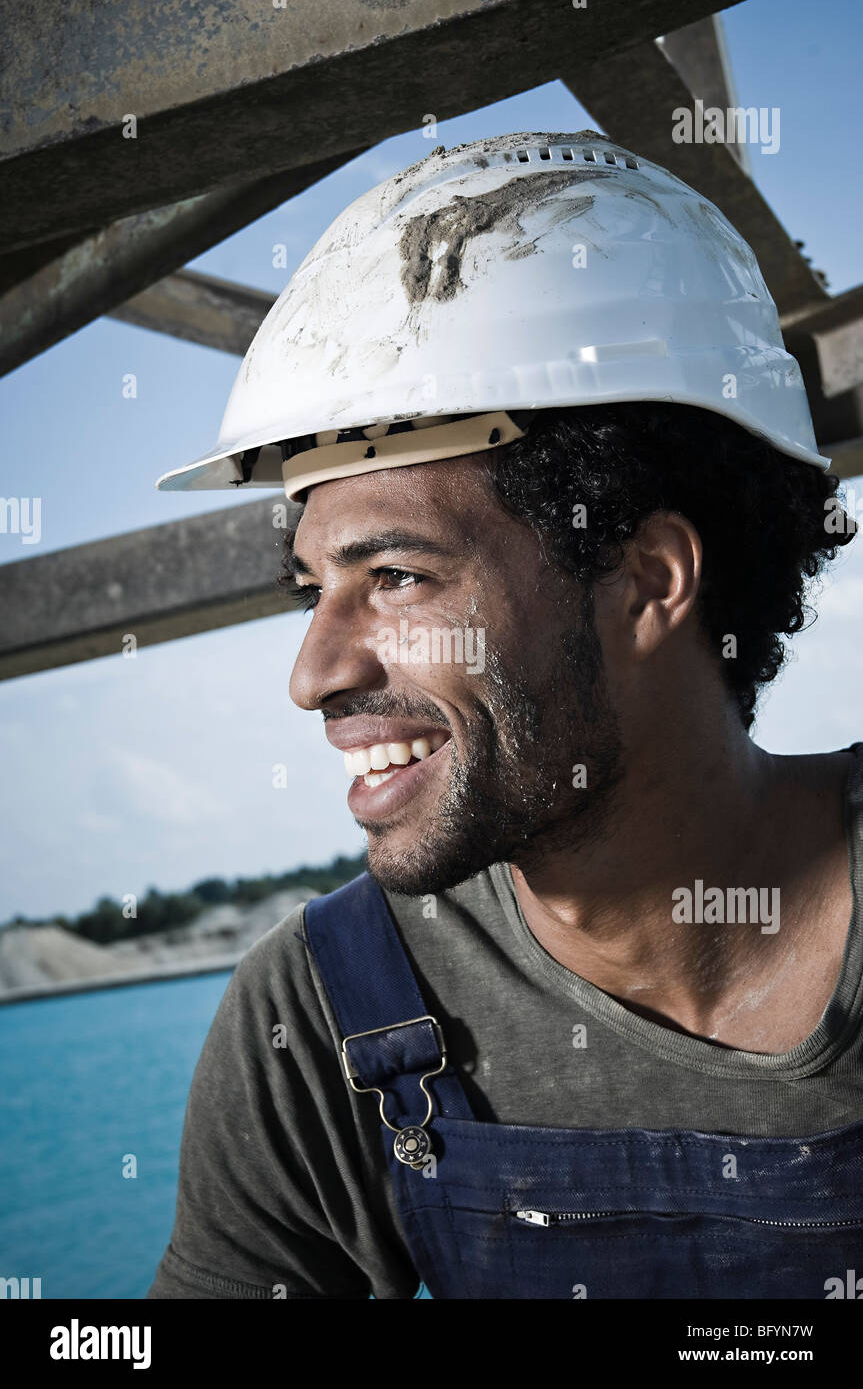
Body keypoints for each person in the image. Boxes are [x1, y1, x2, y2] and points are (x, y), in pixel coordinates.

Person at [148, 132, 862, 1300]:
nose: (314, 672)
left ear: (646, 581)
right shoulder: (320, 1013)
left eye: (396, 577)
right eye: (312, 588)